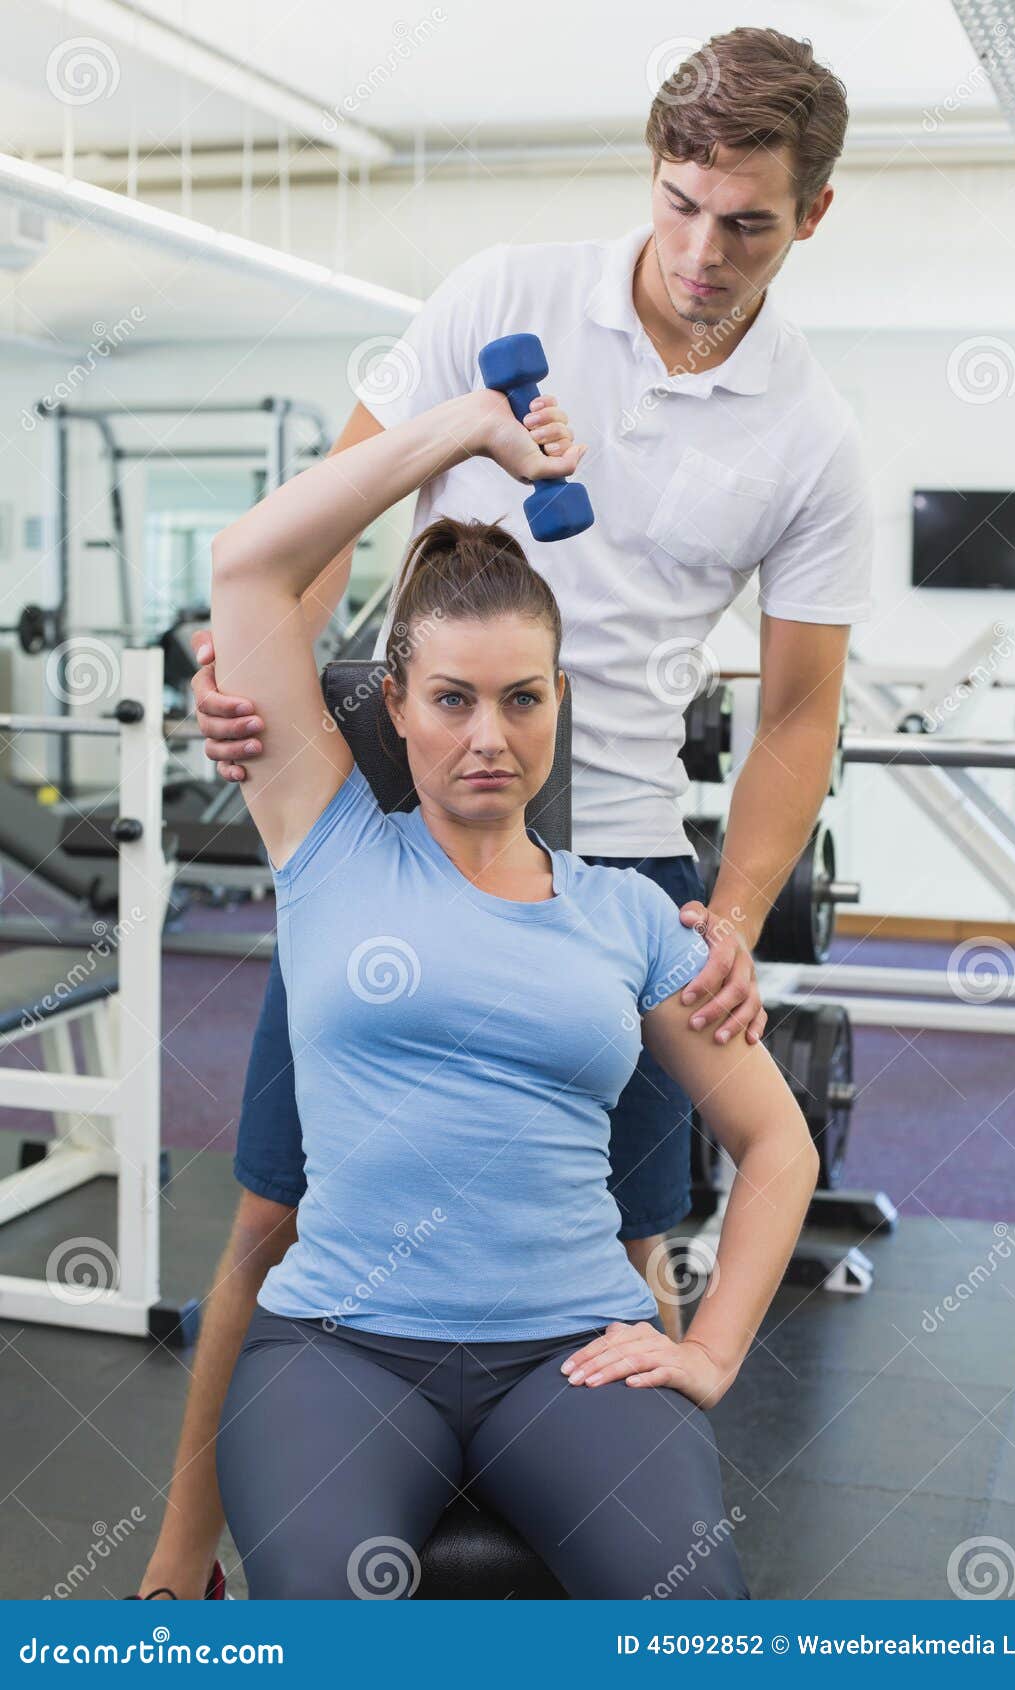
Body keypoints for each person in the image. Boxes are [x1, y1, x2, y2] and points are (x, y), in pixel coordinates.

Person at [138, 26, 871, 1597]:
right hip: (391, 785)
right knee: (277, 1205)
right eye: (677, 204)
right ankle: (178, 1559)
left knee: (624, 1227)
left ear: (807, 217)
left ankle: (611, 1476)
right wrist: (255, 696)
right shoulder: (498, 297)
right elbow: (302, 539)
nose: (696, 251)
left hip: (610, 830)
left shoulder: (809, 435)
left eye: (743, 222)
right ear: (650, 178)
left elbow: (797, 710)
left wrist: (731, 917)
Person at [206, 377, 819, 1599]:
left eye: (521, 697)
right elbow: (248, 567)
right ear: (394, 704)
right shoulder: (326, 841)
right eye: (451, 698)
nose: (489, 733)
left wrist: (706, 1351)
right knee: (327, 1620)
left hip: (572, 1347)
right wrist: (470, 433)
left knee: (692, 1619)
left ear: (557, 703)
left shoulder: (630, 914)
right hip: (341, 1346)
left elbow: (776, 1143)